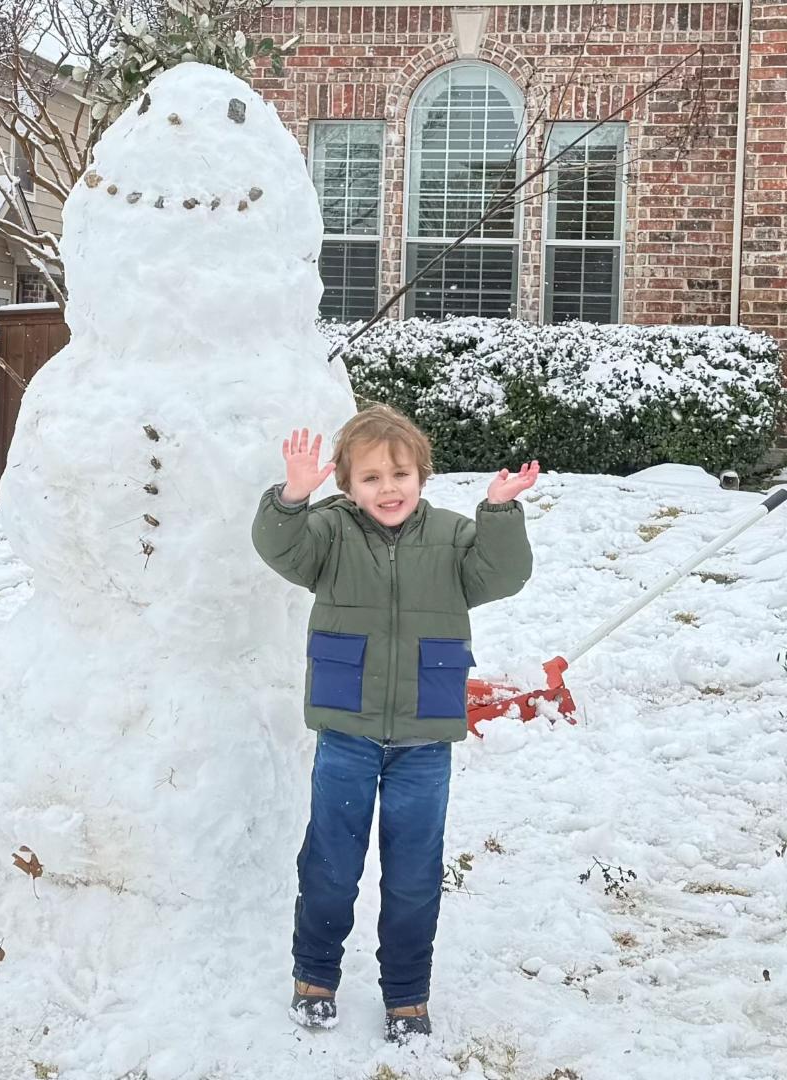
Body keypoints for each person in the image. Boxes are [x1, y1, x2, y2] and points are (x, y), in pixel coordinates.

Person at [250, 404, 537, 1043]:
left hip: (423, 740)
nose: (388, 489)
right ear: (348, 487)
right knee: (330, 862)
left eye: (400, 474)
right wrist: (293, 497)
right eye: (372, 478)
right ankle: (315, 975)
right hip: (347, 732)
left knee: (412, 873)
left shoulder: (455, 538)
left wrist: (498, 510)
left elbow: (504, 574)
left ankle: (407, 994)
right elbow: (280, 547)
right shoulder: (328, 533)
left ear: (422, 475)